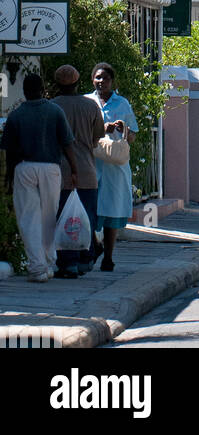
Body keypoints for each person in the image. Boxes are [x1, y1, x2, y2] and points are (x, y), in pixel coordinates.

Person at [0, 73, 79, 281]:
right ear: (43, 89)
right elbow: (67, 143)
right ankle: (49, 262)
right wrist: (74, 169)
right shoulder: (55, 111)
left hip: (24, 168)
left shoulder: (16, 115)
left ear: (25, 92)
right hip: (51, 168)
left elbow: (9, 152)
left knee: (28, 218)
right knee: (48, 216)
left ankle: (36, 267)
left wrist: (8, 178)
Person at [52, 65, 103, 278]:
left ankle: (68, 262)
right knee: (85, 217)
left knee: (63, 218)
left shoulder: (52, 106)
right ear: (77, 83)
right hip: (87, 170)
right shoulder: (90, 106)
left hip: (61, 172)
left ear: (56, 84)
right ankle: (87, 255)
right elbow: (97, 136)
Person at [86, 63, 137, 272]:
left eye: (105, 78)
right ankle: (94, 247)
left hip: (115, 166)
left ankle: (108, 256)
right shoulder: (86, 102)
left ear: (112, 81)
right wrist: (101, 128)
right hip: (91, 164)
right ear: (92, 80)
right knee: (89, 210)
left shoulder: (122, 104)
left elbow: (132, 136)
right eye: (98, 78)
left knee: (112, 212)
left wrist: (124, 129)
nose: (101, 82)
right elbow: (79, 132)